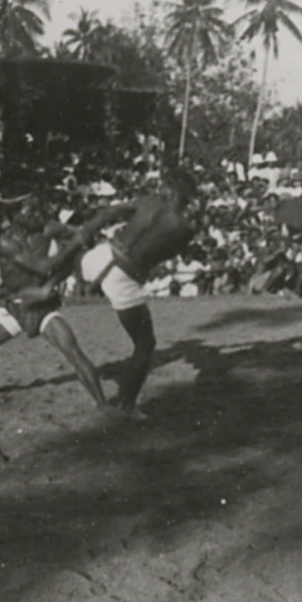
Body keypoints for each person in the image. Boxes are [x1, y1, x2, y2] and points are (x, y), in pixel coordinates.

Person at [0, 189, 118, 417]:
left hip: (43, 308)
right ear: (14, 214)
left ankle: (103, 406)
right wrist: (73, 246)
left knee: (75, 354)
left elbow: (83, 236)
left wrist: (52, 283)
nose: (36, 214)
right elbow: (40, 266)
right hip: (14, 308)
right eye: (29, 209)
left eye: (37, 208)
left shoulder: (48, 228)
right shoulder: (5, 242)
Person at [78, 168, 198, 417]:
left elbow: (110, 212)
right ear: (186, 197)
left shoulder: (149, 202)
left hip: (101, 255)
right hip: (124, 275)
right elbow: (164, 255)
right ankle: (127, 406)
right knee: (145, 344)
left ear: (168, 190)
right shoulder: (185, 227)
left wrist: (86, 232)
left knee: (65, 263)